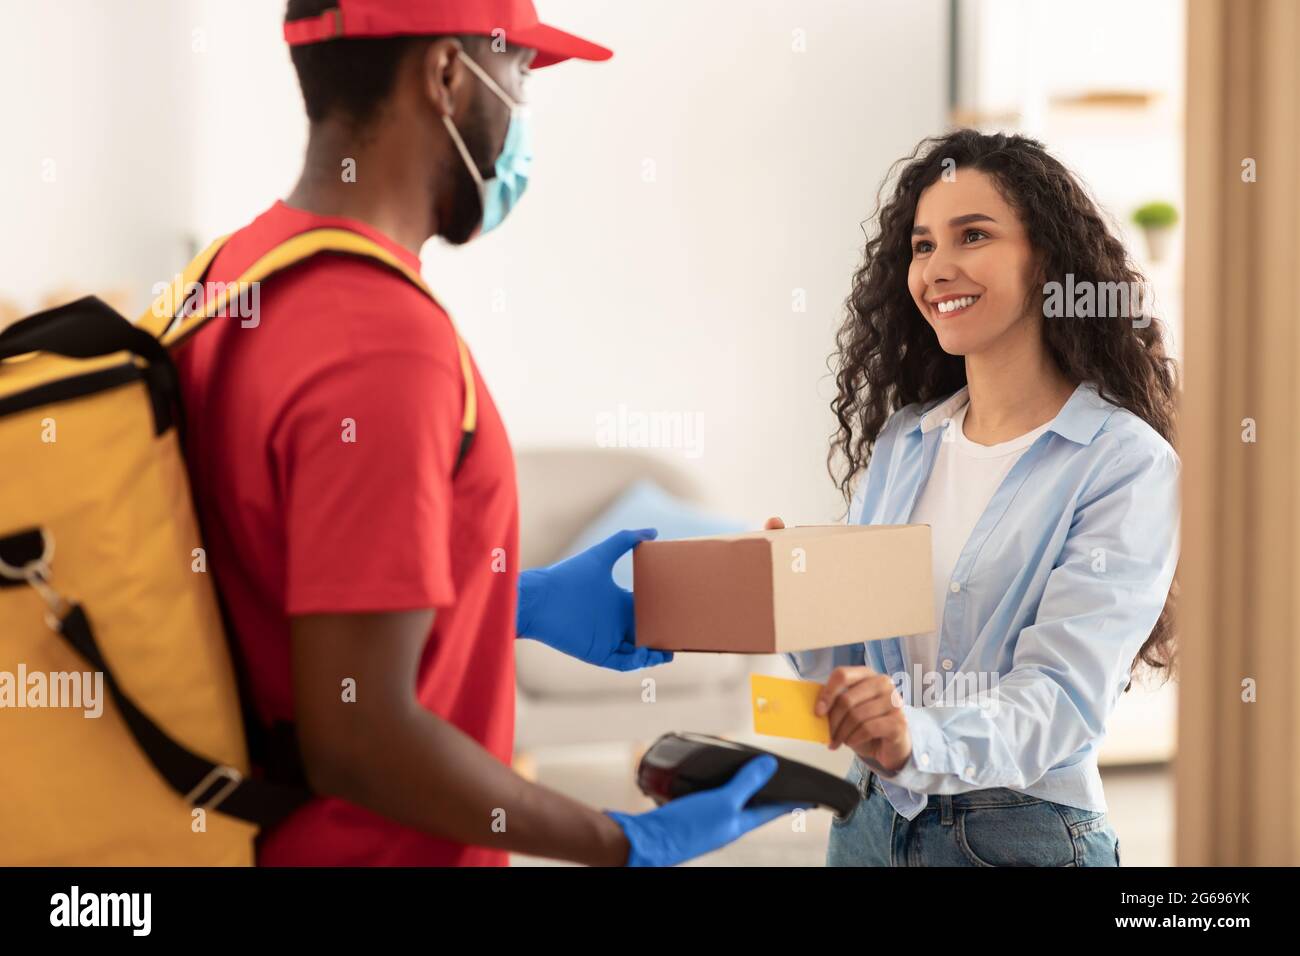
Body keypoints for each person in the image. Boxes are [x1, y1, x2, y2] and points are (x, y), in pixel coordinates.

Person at [174, 0, 793, 867]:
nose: (521, 118)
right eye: (519, 77)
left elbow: (287, 594)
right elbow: (359, 736)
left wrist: (520, 600)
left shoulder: (231, 275)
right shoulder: (380, 342)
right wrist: (624, 839)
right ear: (447, 76)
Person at [780, 129, 1180, 866]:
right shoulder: (908, 444)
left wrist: (917, 739)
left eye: (973, 235)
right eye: (923, 245)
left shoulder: (1124, 464)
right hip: (868, 818)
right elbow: (854, 662)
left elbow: (1060, 697)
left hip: (1015, 832)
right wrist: (793, 594)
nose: (939, 267)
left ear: (1048, 260)